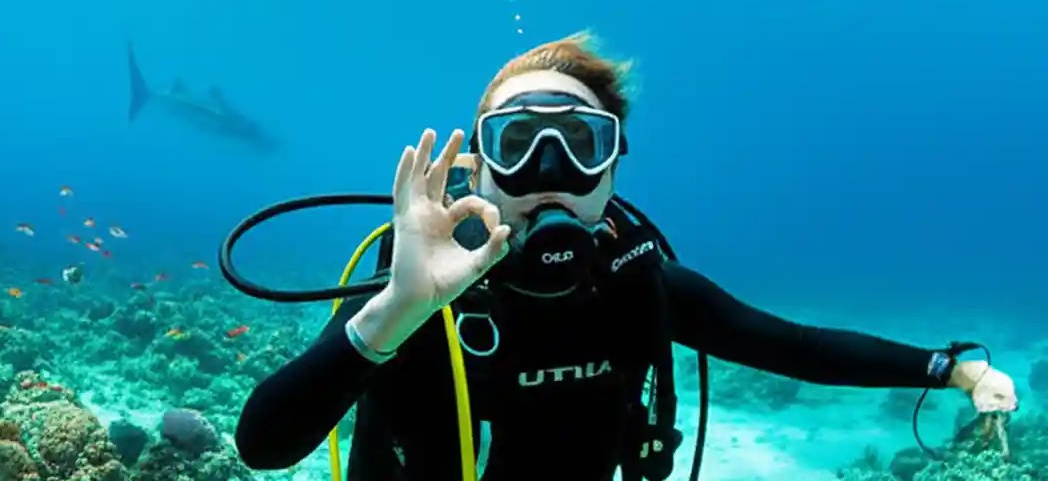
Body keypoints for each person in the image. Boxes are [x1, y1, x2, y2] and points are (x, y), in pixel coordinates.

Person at [234, 33, 1019, 481]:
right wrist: (395, 313)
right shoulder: (409, 295)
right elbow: (264, 446)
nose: (549, 175)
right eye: (518, 145)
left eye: (580, 147)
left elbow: (796, 347)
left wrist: (954, 370)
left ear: (613, 171)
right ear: (477, 169)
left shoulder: (640, 289)